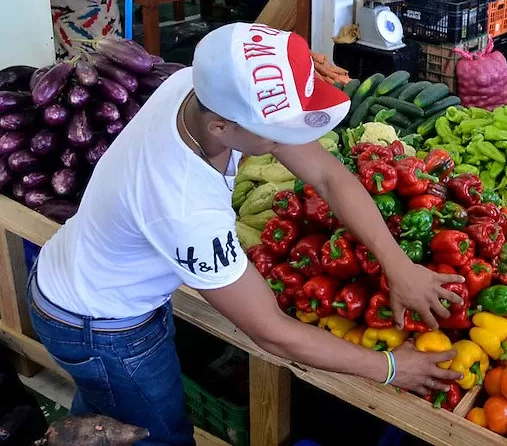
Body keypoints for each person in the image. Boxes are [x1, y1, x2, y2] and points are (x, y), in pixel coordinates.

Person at [29, 22, 465, 444]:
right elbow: (271, 330)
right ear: (222, 126)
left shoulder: (200, 88)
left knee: (106, 408)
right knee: (160, 436)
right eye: (275, 135)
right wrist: (389, 367)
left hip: (81, 278)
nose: (285, 143)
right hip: (101, 326)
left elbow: (330, 177)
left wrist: (398, 265)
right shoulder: (185, 206)